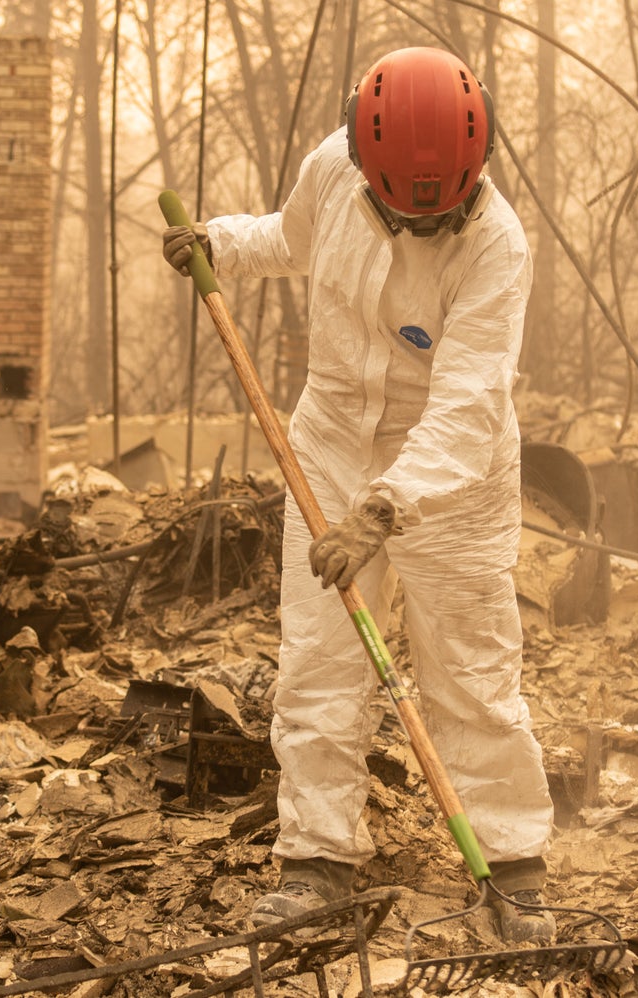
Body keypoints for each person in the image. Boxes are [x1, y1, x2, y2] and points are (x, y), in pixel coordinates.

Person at [161, 46, 555, 945]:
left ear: (479, 165)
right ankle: (316, 859)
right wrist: (221, 243)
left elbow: (466, 406)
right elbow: (291, 239)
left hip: (453, 476)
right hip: (333, 446)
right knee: (320, 661)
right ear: (362, 163)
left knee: (472, 671)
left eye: (441, 212)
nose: (423, 226)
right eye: (401, 210)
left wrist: (382, 512)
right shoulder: (332, 169)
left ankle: (514, 863)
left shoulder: (497, 246)